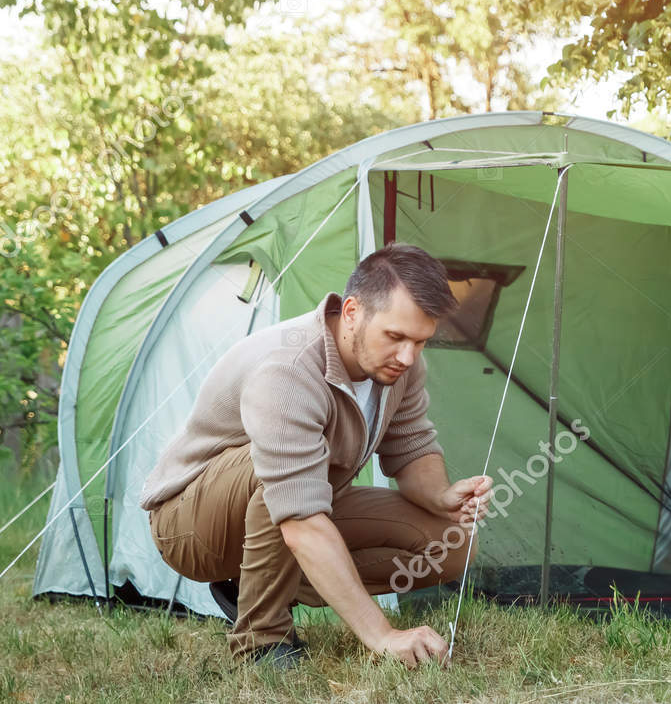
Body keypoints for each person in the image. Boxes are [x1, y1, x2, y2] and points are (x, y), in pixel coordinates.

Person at [140, 243, 491, 669]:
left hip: (296, 505)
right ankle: (262, 639)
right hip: (190, 525)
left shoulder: (402, 369)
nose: (407, 356)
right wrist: (382, 636)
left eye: (420, 341)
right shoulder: (287, 371)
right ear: (351, 313)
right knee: (280, 472)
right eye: (395, 337)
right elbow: (302, 517)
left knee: (452, 542)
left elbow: (412, 446)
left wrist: (441, 496)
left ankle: (265, 582)